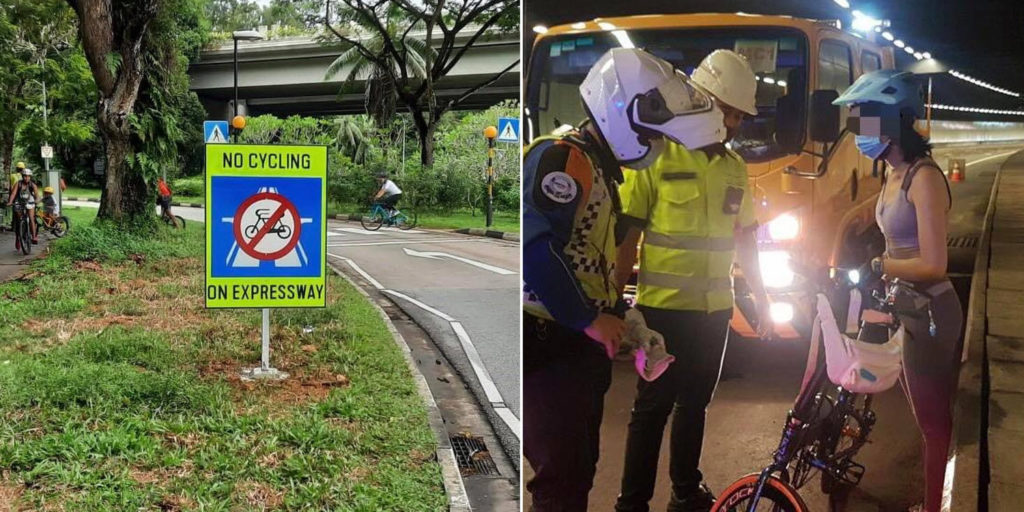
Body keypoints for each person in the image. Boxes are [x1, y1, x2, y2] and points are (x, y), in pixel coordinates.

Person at [523, 47, 726, 511]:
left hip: (571, 349)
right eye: (652, 131)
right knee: (561, 484)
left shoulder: (598, 170)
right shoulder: (563, 160)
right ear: (625, 116)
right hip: (548, 345)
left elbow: (586, 264)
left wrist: (625, 320)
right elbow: (536, 251)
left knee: (575, 473)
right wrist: (589, 320)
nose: (656, 143)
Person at [613, 49, 771, 512]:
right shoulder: (654, 156)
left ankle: (685, 491)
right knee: (650, 409)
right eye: (727, 109)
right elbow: (628, 237)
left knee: (695, 404)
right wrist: (617, 306)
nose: (734, 122)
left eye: (740, 114)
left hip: (714, 311)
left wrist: (758, 297)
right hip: (659, 311)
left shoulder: (734, 168)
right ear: (700, 99)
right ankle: (632, 502)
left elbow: (747, 241)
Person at [834, 69, 962, 512]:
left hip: (931, 312)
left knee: (932, 424)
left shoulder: (923, 177)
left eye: (866, 120)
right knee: (921, 417)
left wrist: (881, 265)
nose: (859, 131)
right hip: (907, 307)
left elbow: (934, 263)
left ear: (891, 120)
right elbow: (868, 222)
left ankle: (933, 507)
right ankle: (932, 500)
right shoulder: (892, 173)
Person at [7, 167, 40, 245]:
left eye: (28, 176)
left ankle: (34, 236)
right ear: (22, 176)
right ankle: (18, 237)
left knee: (31, 218)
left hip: (30, 201)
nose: (26, 178)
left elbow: (37, 196)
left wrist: (37, 201)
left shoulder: (32, 185)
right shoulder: (18, 184)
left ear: (30, 177)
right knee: (19, 221)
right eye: (25, 176)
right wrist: (10, 202)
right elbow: (13, 194)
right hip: (19, 201)